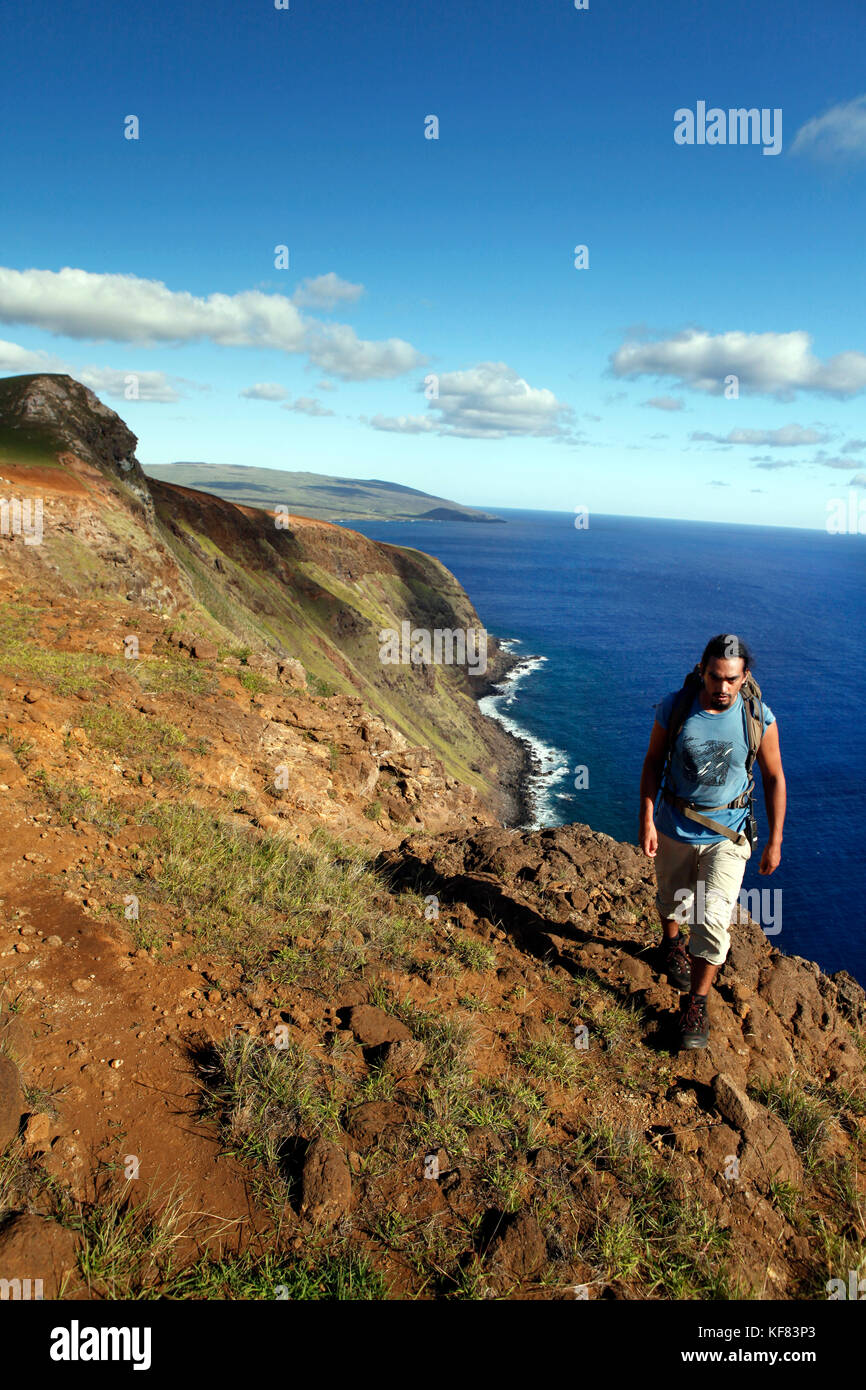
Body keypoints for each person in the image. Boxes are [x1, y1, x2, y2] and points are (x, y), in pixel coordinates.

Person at [639, 634, 786, 1049]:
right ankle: (670, 944)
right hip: (674, 824)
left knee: (712, 919)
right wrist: (647, 819)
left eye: (732, 680)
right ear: (702, 670)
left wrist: (775, 840)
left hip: (728, 834)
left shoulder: (759, 717)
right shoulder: (676, 707)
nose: (723, 688)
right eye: (716, 677)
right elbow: (652, 762)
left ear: (745, 677)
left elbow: (774, 777)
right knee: (672, 897)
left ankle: (696, 1003)